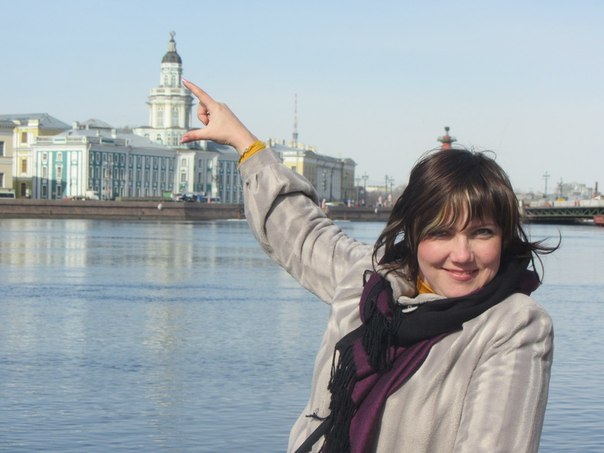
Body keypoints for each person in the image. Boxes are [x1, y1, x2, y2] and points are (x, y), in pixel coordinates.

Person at [181, 79, 556, 453]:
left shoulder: (513, 325)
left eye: (482, 232)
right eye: (441, 233)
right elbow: (302, 233)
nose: (461, 254)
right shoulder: (375, 283)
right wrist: (244, 143)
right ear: (413, 234)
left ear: (504, 236)